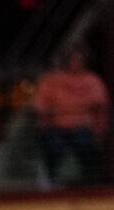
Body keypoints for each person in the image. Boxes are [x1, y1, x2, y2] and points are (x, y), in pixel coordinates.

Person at [32, 45, 108, 186]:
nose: (76, 62)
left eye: (79, 59)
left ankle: (91, 182)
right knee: (52, 145)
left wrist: (62, 108)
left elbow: (98, 103)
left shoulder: (92, 80)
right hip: (55, 129)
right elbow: (39, 105)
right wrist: (76, 108)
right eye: (72, 59)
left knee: (86, 145)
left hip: (82, 129)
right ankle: (49, 179)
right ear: (66, 60)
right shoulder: (52, 80)